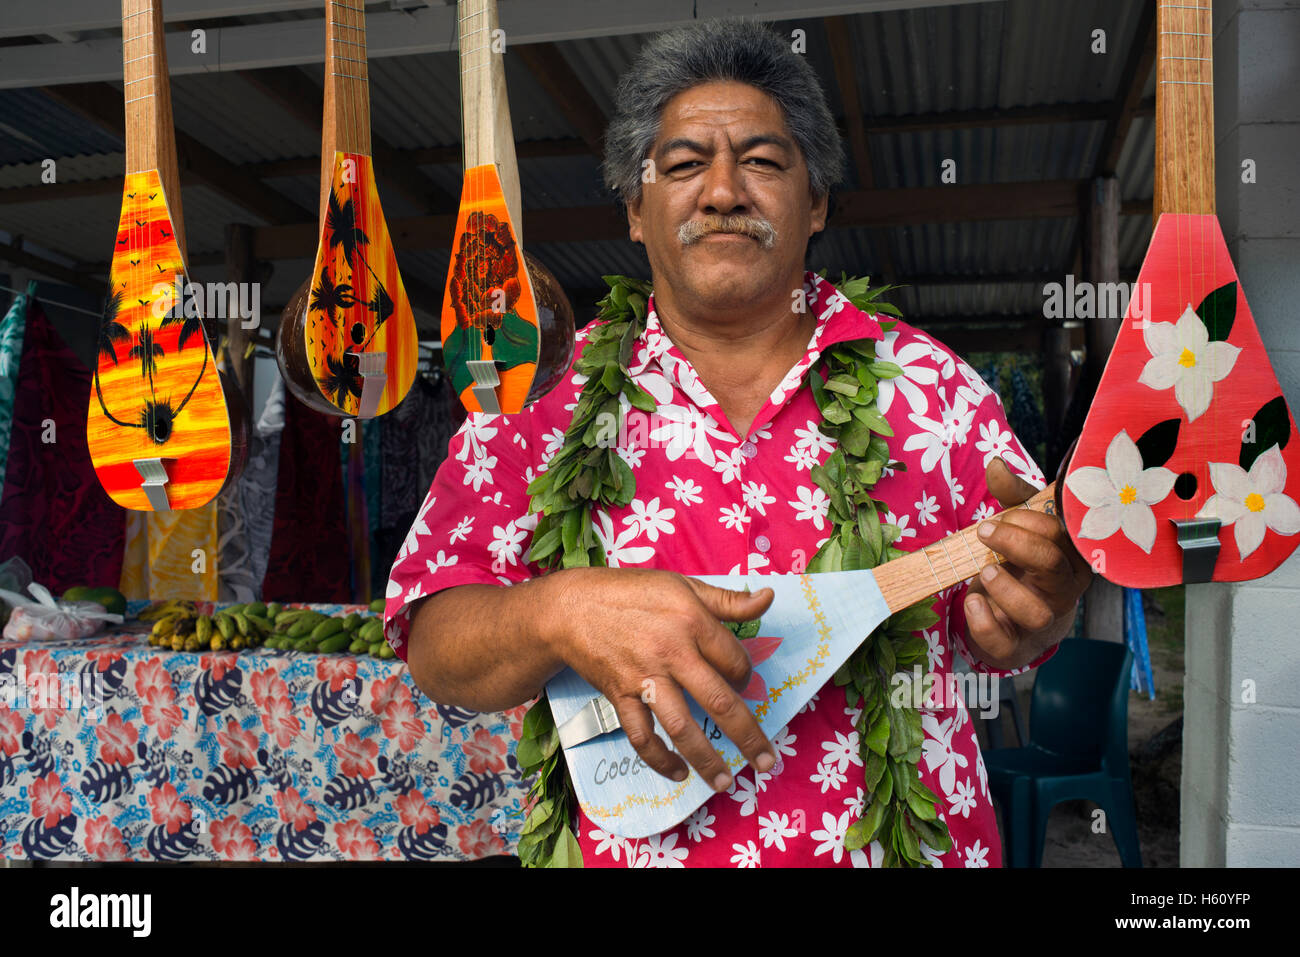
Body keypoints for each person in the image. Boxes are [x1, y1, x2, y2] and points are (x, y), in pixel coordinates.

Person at [383, 19, 1092, 867]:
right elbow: (432, 638)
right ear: (636, 212)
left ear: (817, 200)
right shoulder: (536, 395)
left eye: (761, 160)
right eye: (683, 165)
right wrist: (556, 610)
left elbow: (1014, 619)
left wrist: (1042, 608)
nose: (722, 191)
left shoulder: (936, 391)